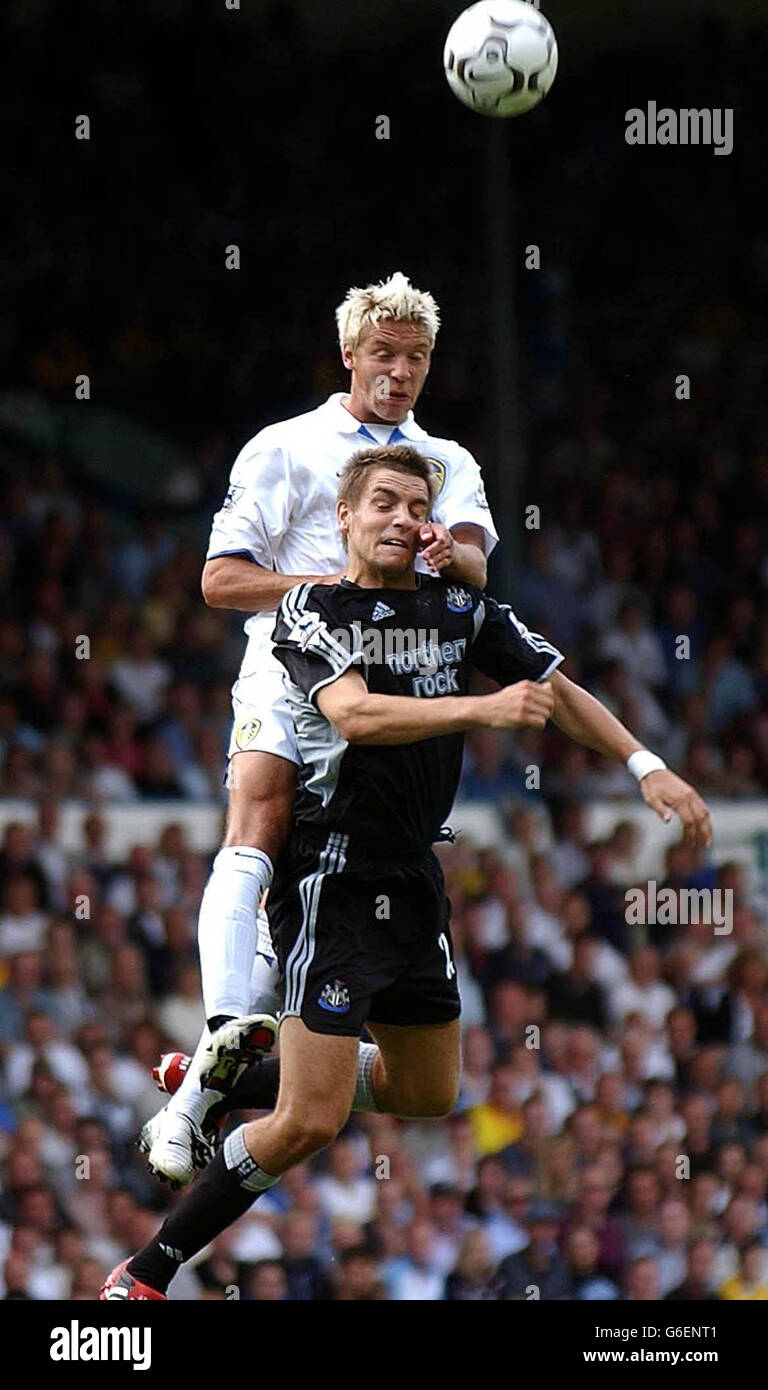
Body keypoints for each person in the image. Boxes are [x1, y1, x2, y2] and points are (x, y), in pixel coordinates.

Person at [102, 444, 711, 1299]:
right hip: (332, 881)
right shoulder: (312, 609)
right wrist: (484, 707)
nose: (399, 517)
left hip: (414, 880)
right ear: (343, 519)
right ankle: (148, 1267)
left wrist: (646, 762)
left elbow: (557, 686)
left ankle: (231, 1072)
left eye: (415, 506)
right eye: (380, 501)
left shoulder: (460, 605)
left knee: (427, 1092)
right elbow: (354, 715)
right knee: (310, 1121)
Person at [145, 272, 499, 1186]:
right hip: (290, 668)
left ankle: (207, 1089)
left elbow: (474, 571)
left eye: (417, 357)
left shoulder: (445, 461)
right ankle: (229, 1028)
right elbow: (222, 581)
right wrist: (329, 596)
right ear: (351, 354)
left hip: (393, 684)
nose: (401, 371)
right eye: (384, 353)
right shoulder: (285, 446)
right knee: (257, 827)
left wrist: (443, 552)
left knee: (326, 898)